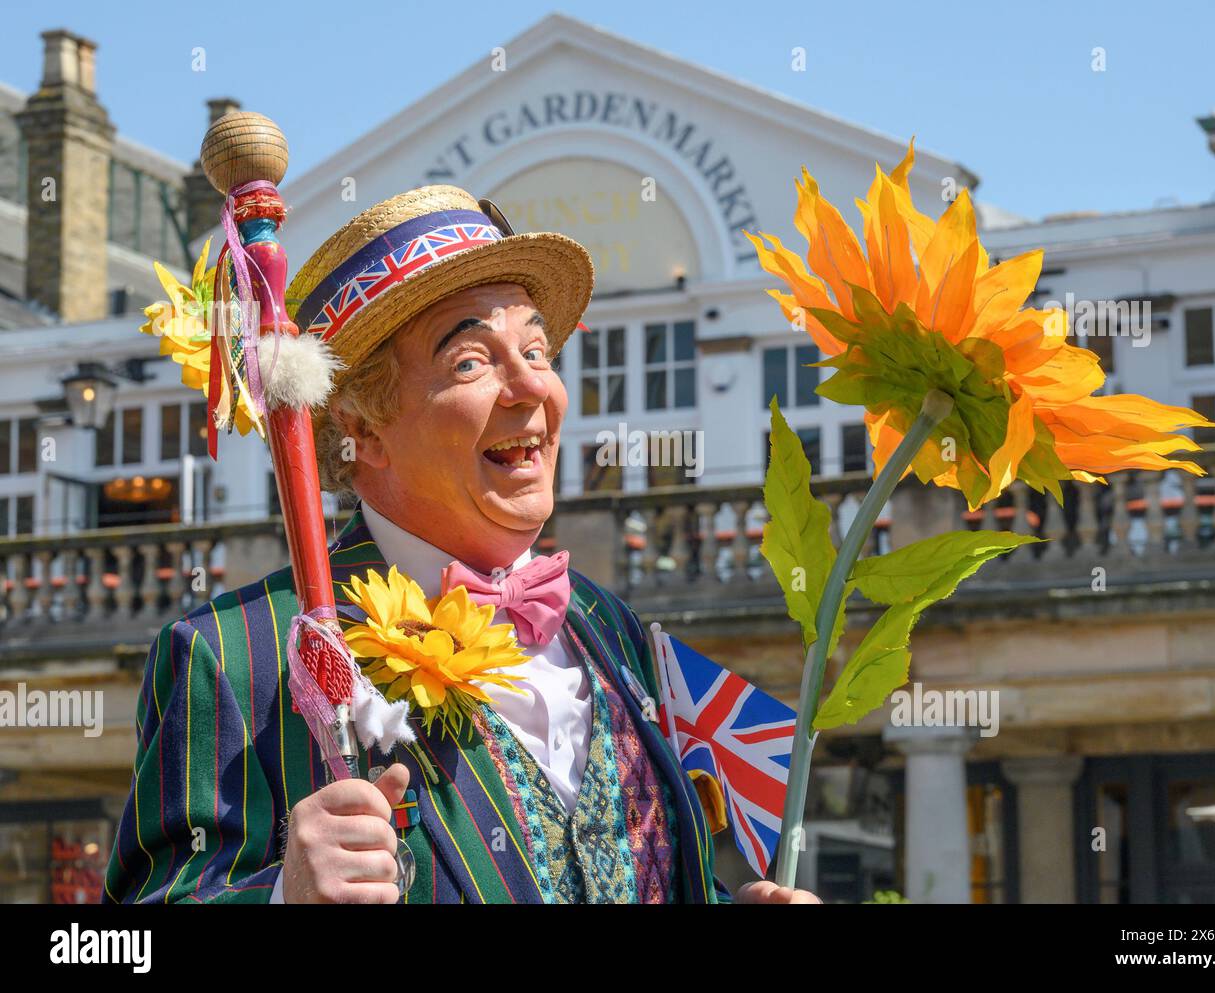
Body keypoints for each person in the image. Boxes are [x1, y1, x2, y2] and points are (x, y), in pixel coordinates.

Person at [104, 185, 818, 904]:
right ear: (367, 429)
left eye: (537, 349)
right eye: (472, 362)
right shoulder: (231, 659)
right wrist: (284, 896)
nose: (531, 385)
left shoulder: (610, 627)